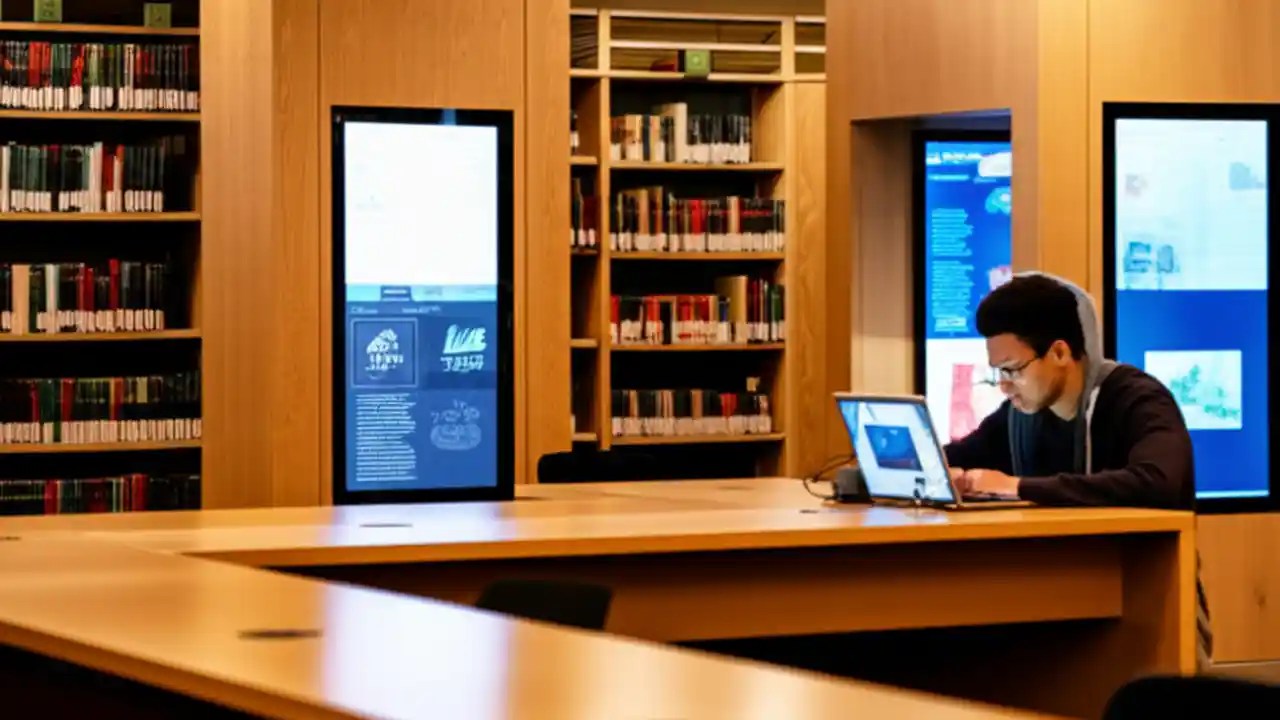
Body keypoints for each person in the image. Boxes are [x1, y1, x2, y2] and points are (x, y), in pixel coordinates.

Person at [943, 271, 1212, 667]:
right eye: (997, 373)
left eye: (1013, 370)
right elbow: (960, 455)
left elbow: (1158, 482)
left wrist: (1017, 486)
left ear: (1059, 353)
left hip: (1145, 602)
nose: (1004, 386)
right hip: (1057, 598)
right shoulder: (1019, 415)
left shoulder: (1136, 399)